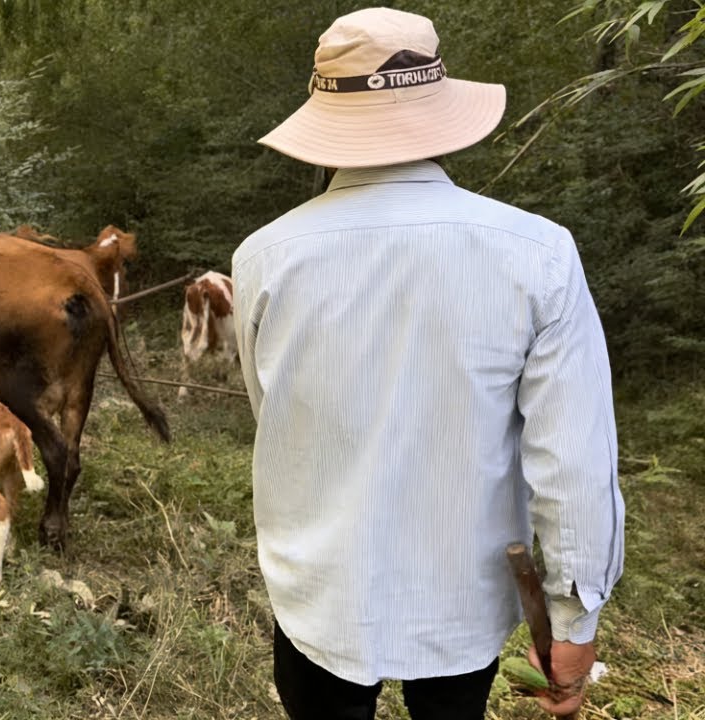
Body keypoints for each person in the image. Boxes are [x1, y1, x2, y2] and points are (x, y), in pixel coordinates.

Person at [230, 8, 626, 720]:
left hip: (317, 592)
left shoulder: (264, 259)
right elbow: (573, 461)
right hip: (461, 598)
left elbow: (276, 417)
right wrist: (574, 617)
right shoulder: (537, 255)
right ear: (437, 108)